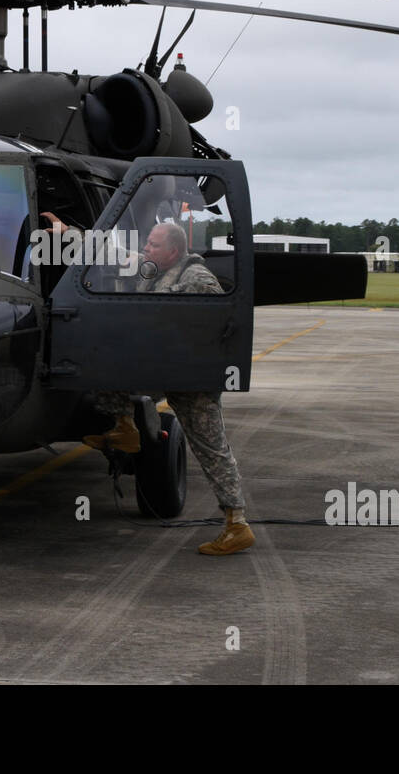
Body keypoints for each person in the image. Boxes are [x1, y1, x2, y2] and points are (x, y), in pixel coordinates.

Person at [87, 221, 254, 556]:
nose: (147, 249)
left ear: (173, 251)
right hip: (166, 369)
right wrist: (67, 234)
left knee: (212, 449)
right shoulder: (156, 268)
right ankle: (126, 428)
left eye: (153, 244)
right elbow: (116, 254)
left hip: (193, 382)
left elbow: (222, 312)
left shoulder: (195, 276)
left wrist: (171, 300)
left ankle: (237, 525)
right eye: (147, 243)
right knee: (105, 363)